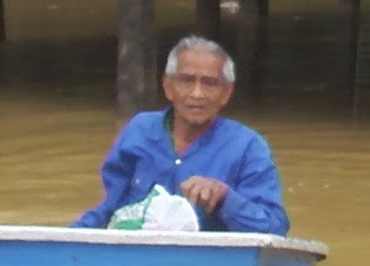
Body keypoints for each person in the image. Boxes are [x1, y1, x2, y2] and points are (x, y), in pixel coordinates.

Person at [72, 35, 290, 234]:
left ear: (226, 93)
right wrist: (67, 238)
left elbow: (275, 228)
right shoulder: (139, 131)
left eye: (210, 83)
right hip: (138, 260)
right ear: (168, 87)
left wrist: (224, 198)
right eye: (187, 81)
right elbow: (110, 209)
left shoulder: (248, 147)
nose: (197, 94)